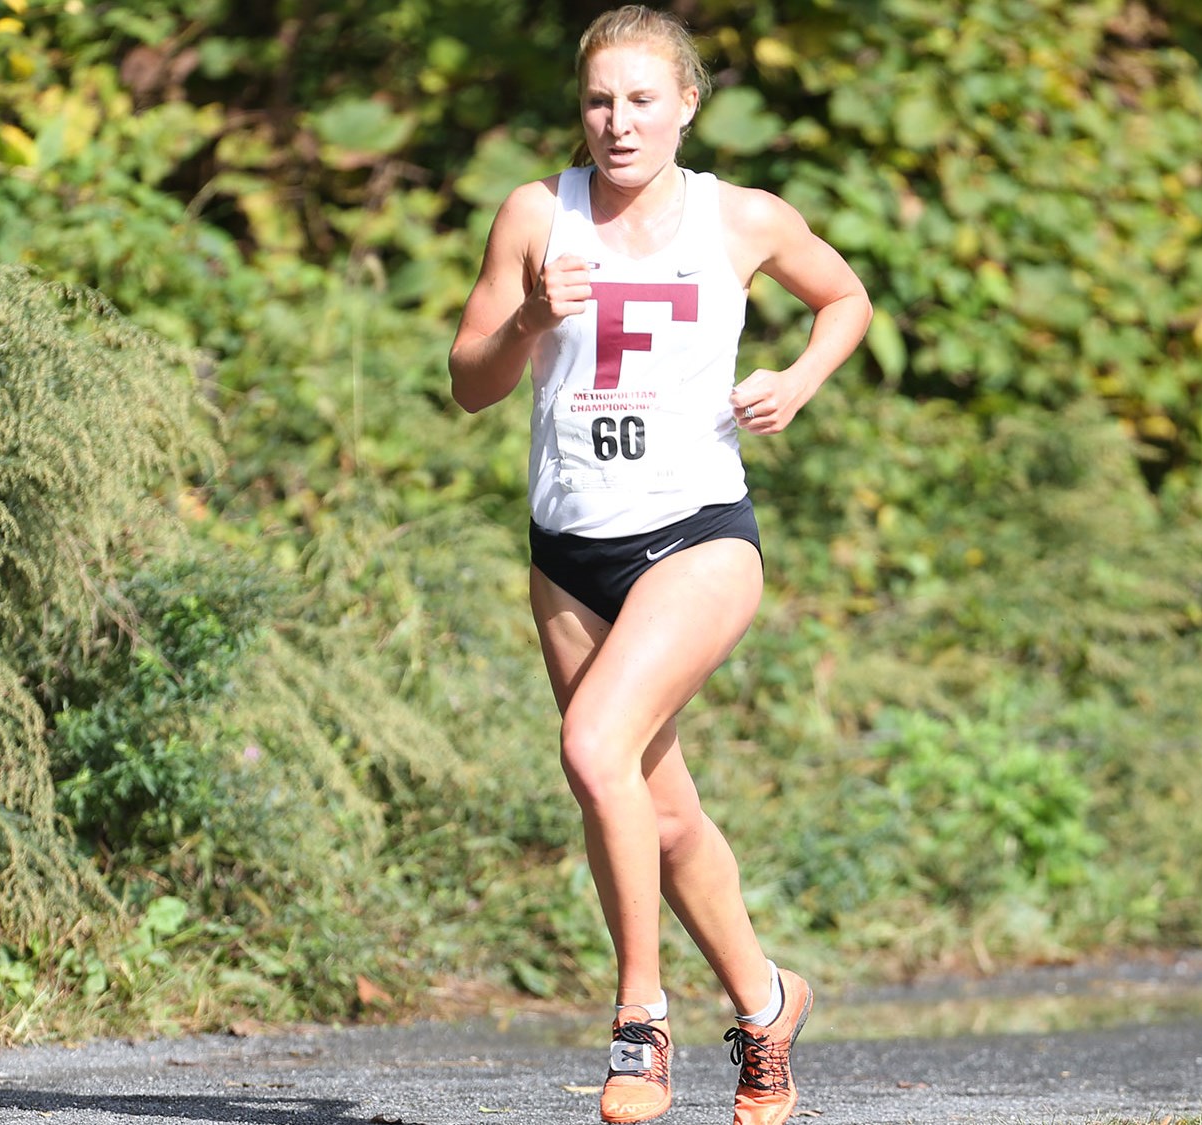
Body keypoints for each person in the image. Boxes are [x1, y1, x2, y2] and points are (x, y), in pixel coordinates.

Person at [447, 6, 871, 1124]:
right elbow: (469, 380)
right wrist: (530, 315)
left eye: (641, 100)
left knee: (593, 749)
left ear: (685, 103)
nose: (616, 122)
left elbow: (844, 298)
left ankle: (641, 1024)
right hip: (567, 553)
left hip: (696, 537)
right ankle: (766, 1000)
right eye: (598, 101)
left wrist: (798, 379)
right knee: (652, 804)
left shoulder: (741, 220)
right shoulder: (537, 213)